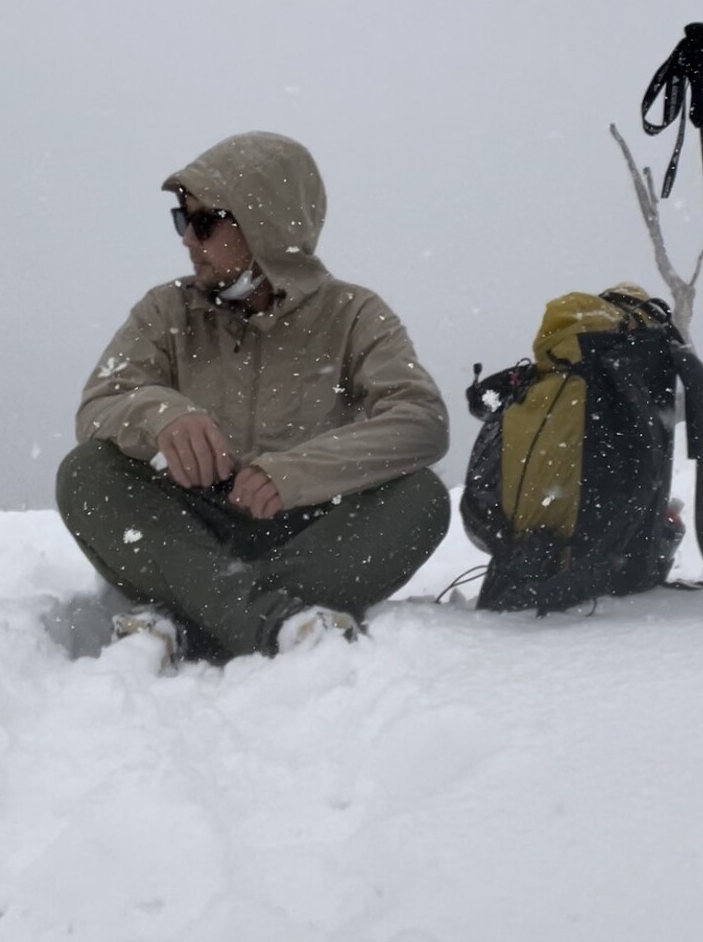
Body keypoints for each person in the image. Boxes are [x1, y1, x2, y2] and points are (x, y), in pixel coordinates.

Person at [56, 132, 450, 660]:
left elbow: (420, 420)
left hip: (310, 530)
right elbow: (100, 403)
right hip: (190, 528)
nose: (186, 241)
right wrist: (162, 415)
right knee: (87, 473)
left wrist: (294, 474)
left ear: (263, 224)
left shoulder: (354, 314)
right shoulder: (166, 310)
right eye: (182, 221)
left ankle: (190, 617)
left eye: (203, 223)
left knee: (420, 499)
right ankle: (274, 625)